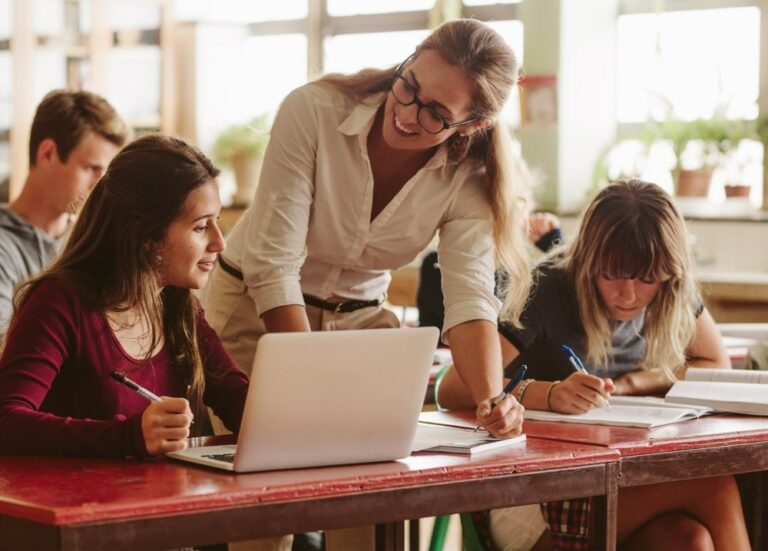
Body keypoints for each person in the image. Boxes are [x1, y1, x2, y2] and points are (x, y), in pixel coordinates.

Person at [205, 19, 531, 439]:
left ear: (470, 126)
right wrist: (301, 377)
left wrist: (492, 402)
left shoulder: (472, 178)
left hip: (358, 324)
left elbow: (469, 299)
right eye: (409, 86)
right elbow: (273, 265)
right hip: (256, 311)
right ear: (408, 60)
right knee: (265, 457)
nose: (407, 115)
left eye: (435, 113)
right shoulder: (313, 110)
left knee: (367, 470)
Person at [437, 180, 749, 550]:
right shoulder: (548, 288)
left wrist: (634, 382)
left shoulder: (670, 286)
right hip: (531, 497)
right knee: (712, 484)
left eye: (647, 279)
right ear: (587, 261)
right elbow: (452, 386)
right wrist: (548, 394)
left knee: (688, 539)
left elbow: (715, 360)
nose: (629, 295)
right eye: (613, 274)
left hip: (618, 478)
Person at [0, 134, 248, 459]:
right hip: (81, 504)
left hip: (162, 502)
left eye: (216, 223)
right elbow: (6, 423)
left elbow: (238, 401)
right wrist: (127, 436)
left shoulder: (179, 307)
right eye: (201, 227)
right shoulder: (59, 302)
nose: (220, 243)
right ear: (145, 234)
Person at [0, 89, 129, 345]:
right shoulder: (4, 246)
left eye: (107, 173)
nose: (101, 185)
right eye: (92, 169)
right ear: (47, 153)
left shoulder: (94, 239)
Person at [418, 210, 563, 333]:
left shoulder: (522, 272)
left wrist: (555, 243)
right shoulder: (435, 264)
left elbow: (565, 305)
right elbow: (431, 331)